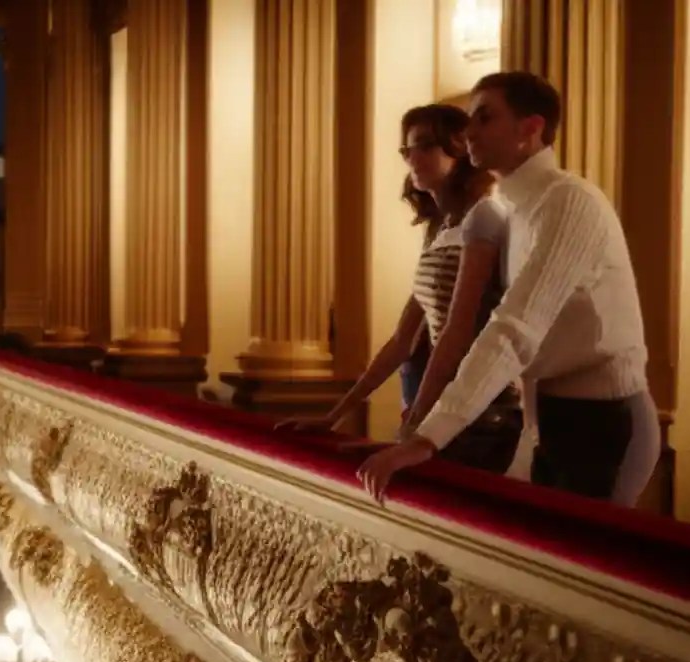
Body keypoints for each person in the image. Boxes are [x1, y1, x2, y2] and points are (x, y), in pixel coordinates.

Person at [357, 71, 661, 506]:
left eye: (484, 118)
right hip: (550, 417)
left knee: (581, 569)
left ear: (530, 128)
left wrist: (425, 438)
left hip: (608, 422)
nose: (469, 132)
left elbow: (514, 328)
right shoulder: (511, 211)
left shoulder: (568, 200)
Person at [279, 104, 522, 473]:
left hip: (479, 413)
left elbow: (457, 334)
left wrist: (416, 427)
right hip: (441, 411)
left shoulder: (485, 215)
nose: (413, 159)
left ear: (458, 150)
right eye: (408, 150)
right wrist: (336, 415)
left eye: (426, 146)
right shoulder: (439, 227)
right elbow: (402, 340)